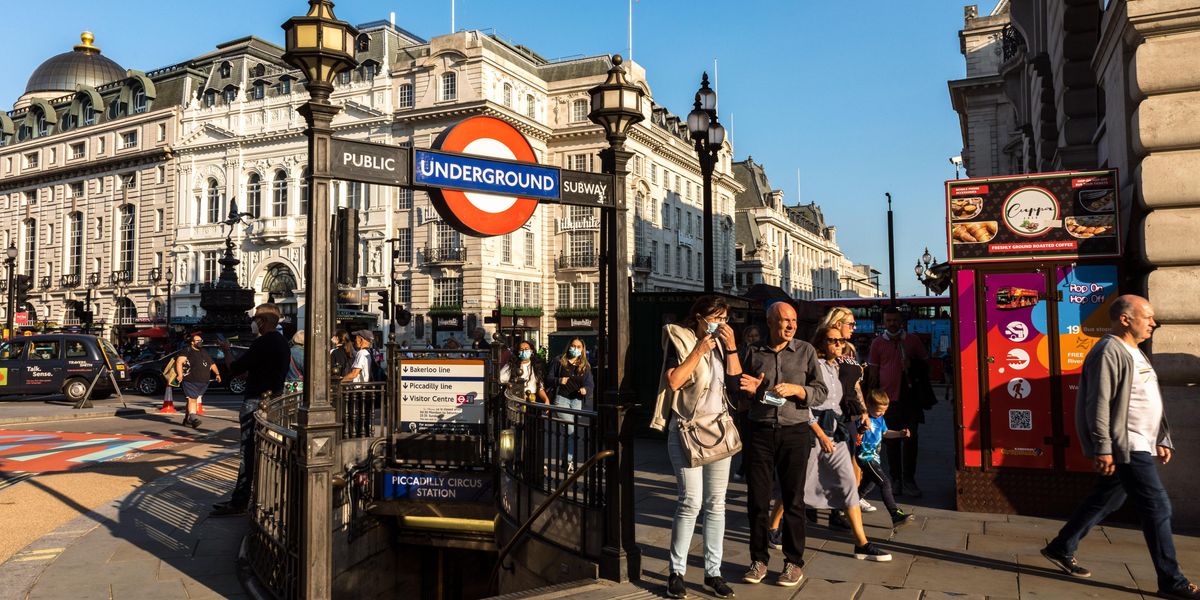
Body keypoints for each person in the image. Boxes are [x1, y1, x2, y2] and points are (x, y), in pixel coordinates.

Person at [1041, 295, 1199, 600]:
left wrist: (1162, 437)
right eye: (1148, 317)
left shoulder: (1136, 351)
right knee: (1158, 506)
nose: (1154, 322)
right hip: (1126, 443)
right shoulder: (1108, 351)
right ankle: (1171, 580)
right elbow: (1097, 402)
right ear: (1125, 319)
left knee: (1107, 499)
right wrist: (1102, 446)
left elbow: (1148, 399)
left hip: (1141, 441)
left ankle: (1061, 546)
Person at [649, 296, 741, 599]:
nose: (720, 323)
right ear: (699, 317)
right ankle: (676, 572)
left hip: (717, 429)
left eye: (725, 318)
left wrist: (730, 347)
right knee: (690, 502)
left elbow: (736, 383)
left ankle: (713, 572)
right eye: (715, 317)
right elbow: (674, 381)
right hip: (687, 430)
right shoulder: (682, 339)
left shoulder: (723, 346)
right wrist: (701, 349)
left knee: (717, 504)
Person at [738, 302, 826, 588]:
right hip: (760, 432)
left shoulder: (805, 351)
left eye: (794, 321)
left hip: (794, 432)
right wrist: (755, 392)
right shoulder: (752, 352)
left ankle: (793, 562)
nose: (790, 325)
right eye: (784, 320)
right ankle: (759, 559)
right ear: (770, 322)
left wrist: (799, 390)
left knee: (793, 500)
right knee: (758, 500)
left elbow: (821, 392)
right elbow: (743, 395)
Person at [804, 326, 891, 561]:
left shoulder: (836, 367)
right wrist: (820, 433)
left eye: (840, 341)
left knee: (849, 482)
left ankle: (861, 543)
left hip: (837, 430)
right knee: (798, 484)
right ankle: (773, 527)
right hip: (814, 430)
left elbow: (845, 396)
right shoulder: (813, 366)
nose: (838, 344)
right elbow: (805, 404)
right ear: (821, 342)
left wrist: (862, 414)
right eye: (832, 341)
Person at [211, 304, 291, 517]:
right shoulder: (283, 343)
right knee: (266, 450)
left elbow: (235, 368)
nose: (253, 323)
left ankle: (240, 501)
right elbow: (266, 372)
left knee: (248, 451)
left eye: (255, 318)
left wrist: (227, 350)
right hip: (274, 401)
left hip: (255, 402)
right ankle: (261, 498)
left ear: (263, 322)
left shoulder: (262, 343)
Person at [867, 307, 928, 497]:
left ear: (901, 321)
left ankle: (909, 479)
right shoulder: (877, 343)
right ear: (884, 322)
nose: (892, 323)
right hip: (888, 400)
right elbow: (873, 372)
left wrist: (912, 364)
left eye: (895, 320)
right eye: (888, 320)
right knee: (891, 441)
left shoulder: (912, 340)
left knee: (911, 439)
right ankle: (895, 479)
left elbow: (925, 364)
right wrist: (871, 398)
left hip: (910, 399)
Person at [817, 307, 872, 512]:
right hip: (832, 413)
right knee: (831, 465)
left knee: (852, 460)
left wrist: (864, 412)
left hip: (851, 412)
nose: (854, 328)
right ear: (838, 324)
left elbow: (856, 384)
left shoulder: (848, 349)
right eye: (851, 324)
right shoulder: (825, 348)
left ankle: (847, 504)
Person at [856, 389, 916, 528]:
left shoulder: (880, 418)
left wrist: (899, 434)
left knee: (867, 486)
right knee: (885, 483)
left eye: (884, 411)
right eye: (878, 411)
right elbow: (858, 433)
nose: (882, 414)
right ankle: (895, 515)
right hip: (865, 457)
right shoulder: (864, 418)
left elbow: (885, 433)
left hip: (875, 458)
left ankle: (845, 507)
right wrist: (863, 429)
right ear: (868, 406)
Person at [546, 337, 594, 470]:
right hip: (561, 399)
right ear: (569, 346)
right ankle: (568, 462)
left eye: (579, 347)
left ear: (583, 349)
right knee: (571, 430)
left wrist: (586, 390)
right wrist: (559, 380)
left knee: (569, 432)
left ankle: (564, 459)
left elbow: (590, 384)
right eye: (573, 346)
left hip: (577, 402)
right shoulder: (559, 361)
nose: (576, 349)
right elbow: (548, 379)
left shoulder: (584, 365)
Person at [175, 331, 220, 429]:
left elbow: (212, 364)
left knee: (192, 399)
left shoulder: (204, 351)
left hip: (203, 382)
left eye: (201, 340)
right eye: (197, 340)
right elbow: (179, 362)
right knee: (192, 399)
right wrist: (180, 375)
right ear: (192, 342)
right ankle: (193, 419)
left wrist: (217, 374)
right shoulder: (187, 350)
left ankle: (187, 419)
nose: (200, 342)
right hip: (190, 380)